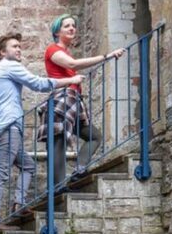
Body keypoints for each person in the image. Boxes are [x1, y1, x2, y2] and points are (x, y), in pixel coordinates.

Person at [0, 32, 85, 231]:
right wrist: (71, 80)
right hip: (7, 129)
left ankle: (19, 204)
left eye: (19, 46)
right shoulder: (9, 66)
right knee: (1, 174)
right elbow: (38, 84)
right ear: (2, 52)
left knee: (28, 166)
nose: (19, 49)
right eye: (14, 47)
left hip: (3, 129)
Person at [39, 14, 126, 185]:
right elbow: (73, 64)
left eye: (73, 25)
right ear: (57, 32)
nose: (72, 28)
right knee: (59, 143)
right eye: (66, 26)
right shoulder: (52, 49)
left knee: (94, 136)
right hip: (62, 100)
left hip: (73, 101)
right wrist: (106, 56)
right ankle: (57, 188)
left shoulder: (65, 51)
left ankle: (79, 168)